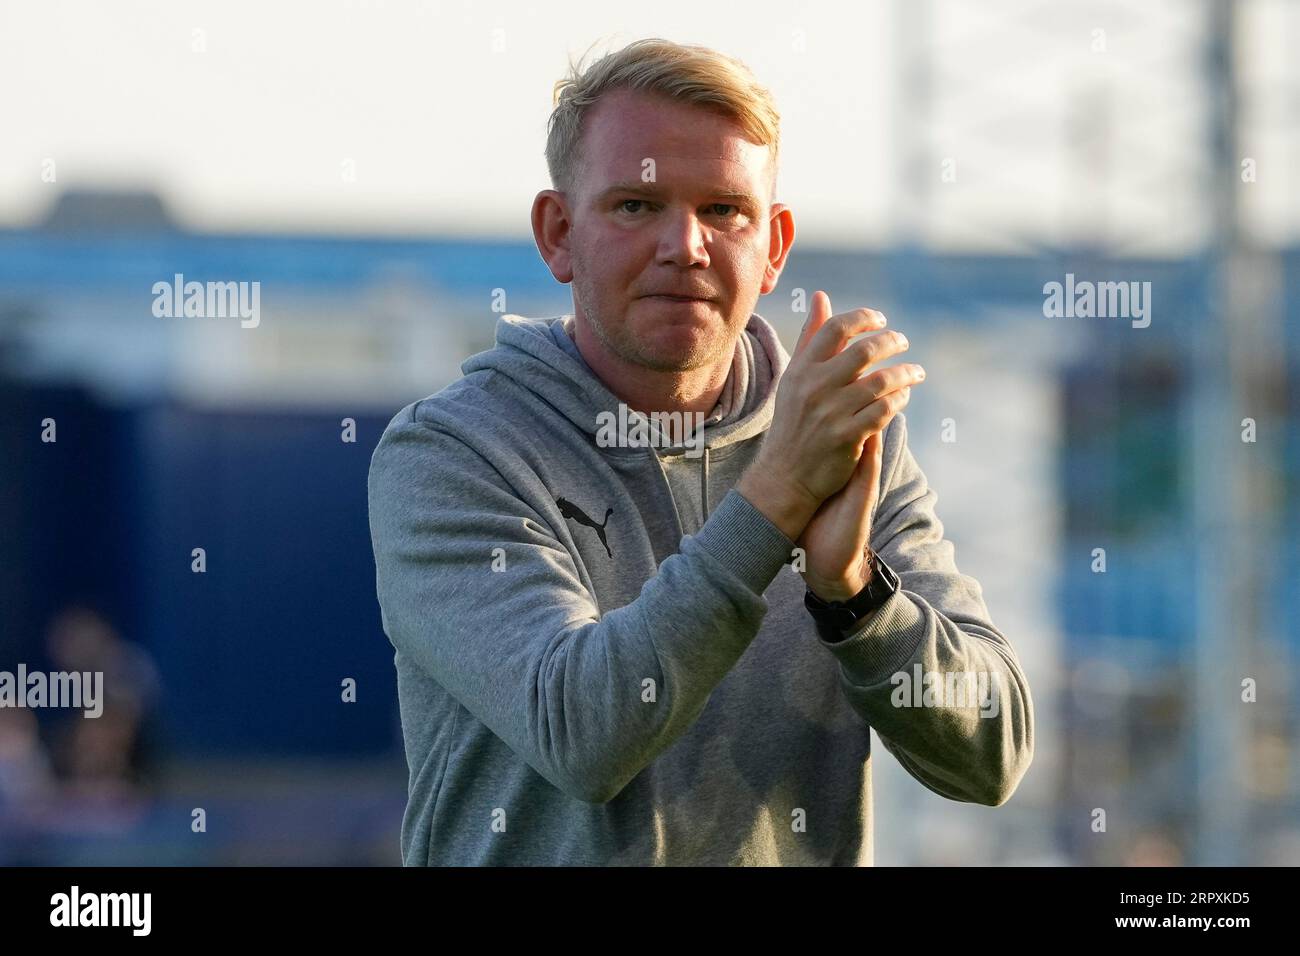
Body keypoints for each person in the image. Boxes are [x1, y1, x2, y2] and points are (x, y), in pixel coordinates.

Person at [367, 37, 1033, 866]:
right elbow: (583, 733)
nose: (685, 245)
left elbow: (993, 754)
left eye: (725, 210)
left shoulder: (849, 439)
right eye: (637, 206)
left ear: (774, 245)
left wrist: (855, 598)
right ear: (558, 233)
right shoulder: (454, 452)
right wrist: (776, 501)